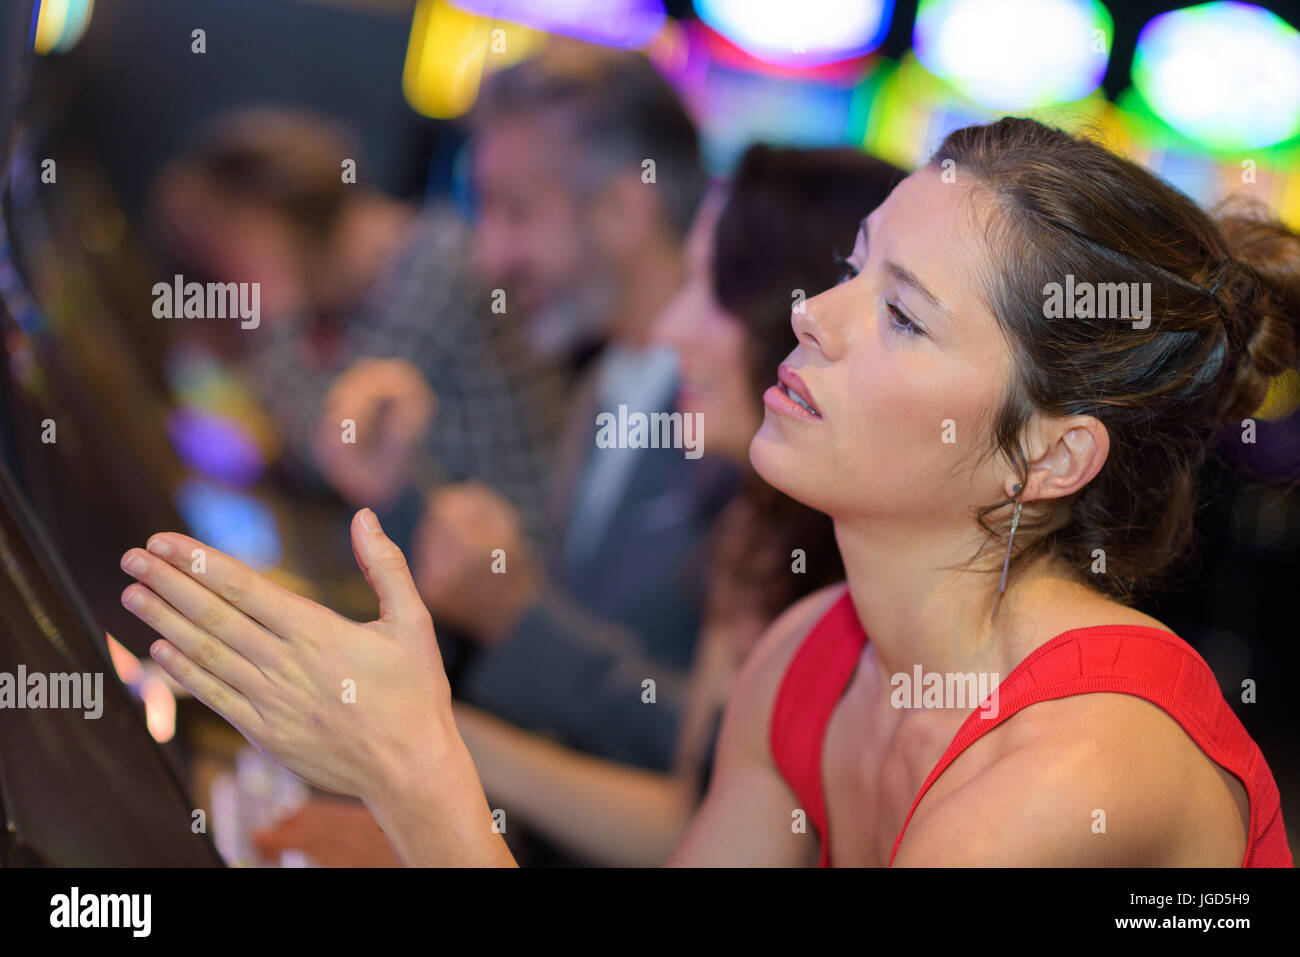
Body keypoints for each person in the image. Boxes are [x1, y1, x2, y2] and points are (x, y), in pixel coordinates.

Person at [119, 117, 1296, 867]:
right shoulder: (807, 651)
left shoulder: (1073, 771)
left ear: (1047, 459)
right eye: (850, 270)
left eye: (898, 314)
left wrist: (418, 771)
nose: (806, 316)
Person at [253, 145, 900, 867]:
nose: (670, 329)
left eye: (711, 289)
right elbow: (689, 811)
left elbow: (666, 784)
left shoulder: (845, 583)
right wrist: (427, 745)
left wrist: (435, 754)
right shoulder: (751, 520)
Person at [409, 41, 727, 774]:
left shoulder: (747, 425)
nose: (490, 257)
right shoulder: (601, 383)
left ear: (622, 209)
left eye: (515, 211)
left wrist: (520, 621)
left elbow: (724, 753)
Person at [151, 108, 565, 550]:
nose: (233, 287)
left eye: (232, 260)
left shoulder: (435, 267)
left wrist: (277, 302)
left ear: (267, 229)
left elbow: (331, 451)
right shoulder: (372, 286)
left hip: (512, 570)